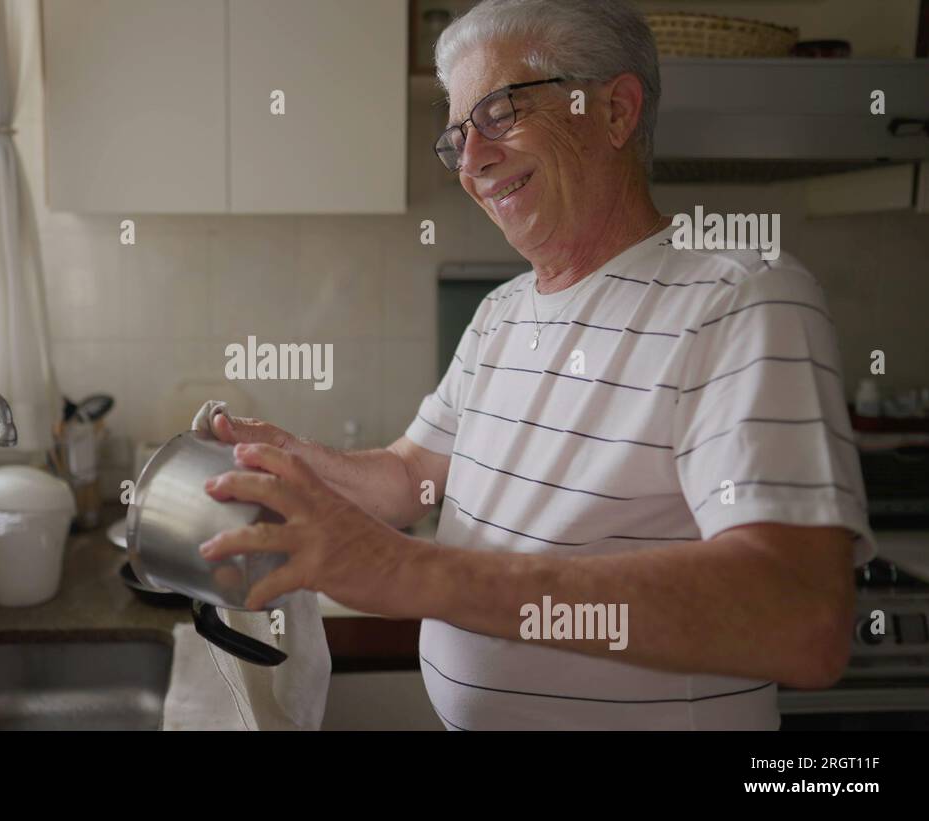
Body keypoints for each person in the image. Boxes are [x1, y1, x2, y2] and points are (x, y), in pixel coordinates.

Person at [198, 0, 872, 730]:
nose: (472, 162)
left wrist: (406, 570)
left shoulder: (737, 299)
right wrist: (286, 461)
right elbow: (407, 475)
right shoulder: (502, 314)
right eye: (457, 137)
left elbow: (799, 615)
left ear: (615, 111)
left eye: (500, 113)